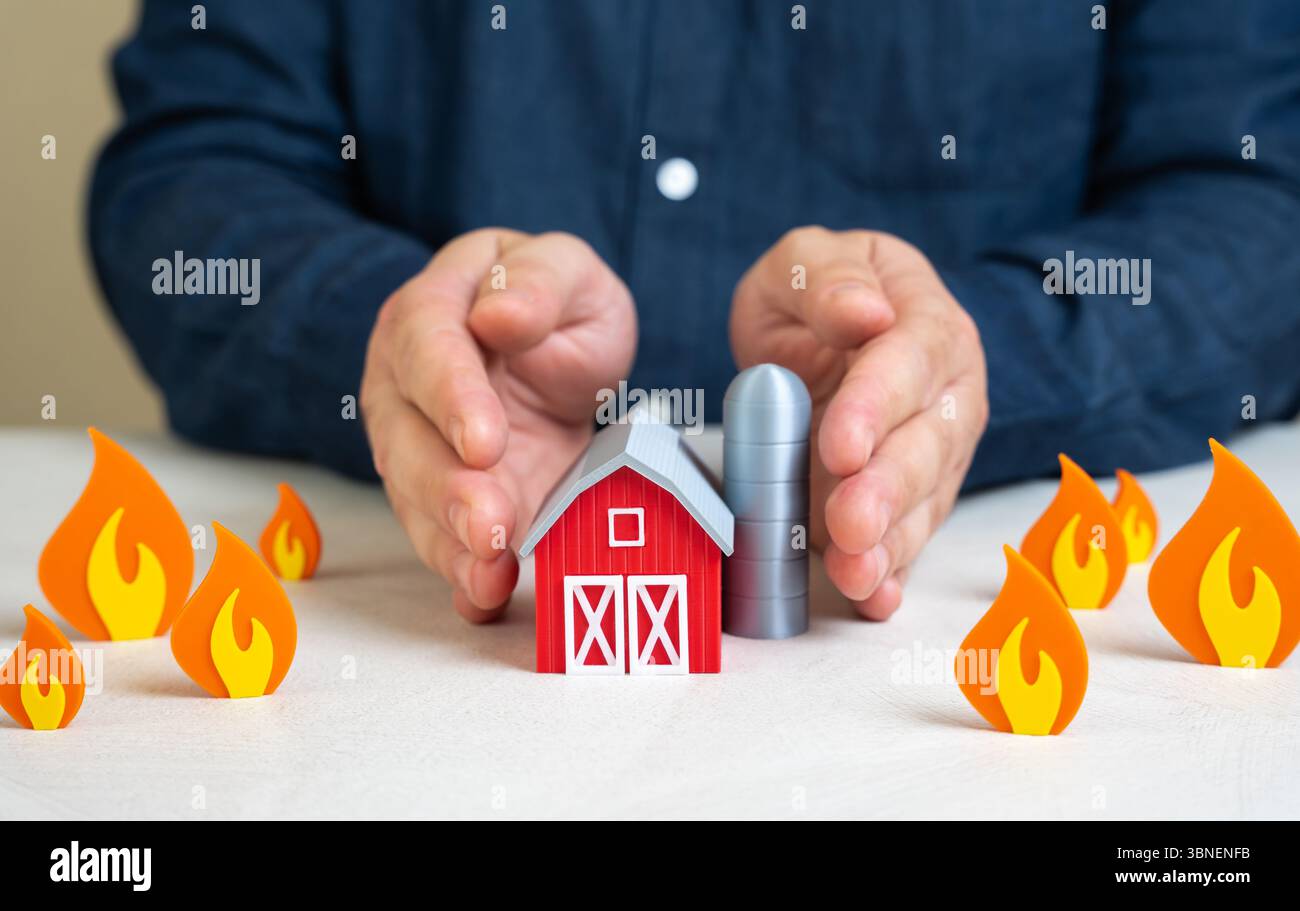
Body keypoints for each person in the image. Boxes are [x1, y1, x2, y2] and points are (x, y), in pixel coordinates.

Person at [90, 1, 1300, 623]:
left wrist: (956, 356)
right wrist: (412, 335)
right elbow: (193, 167)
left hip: (943, 634)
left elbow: (1257, 198)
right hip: (423, 626)